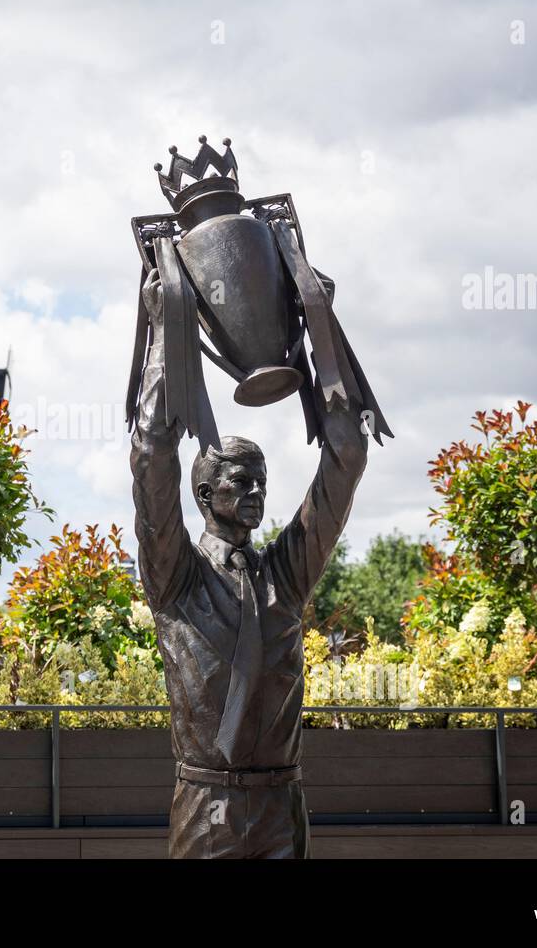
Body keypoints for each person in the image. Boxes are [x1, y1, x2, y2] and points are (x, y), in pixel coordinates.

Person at [130, 268, 372, 858]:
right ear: (204, 494)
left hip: (280, 810)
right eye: (243, 481)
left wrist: (321, 328)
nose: (258, 492)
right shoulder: (177, 577)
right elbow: (152, 454)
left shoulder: (283, 578)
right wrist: (167, 331)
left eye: (262, 481)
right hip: (205, 809)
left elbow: (346, 454)